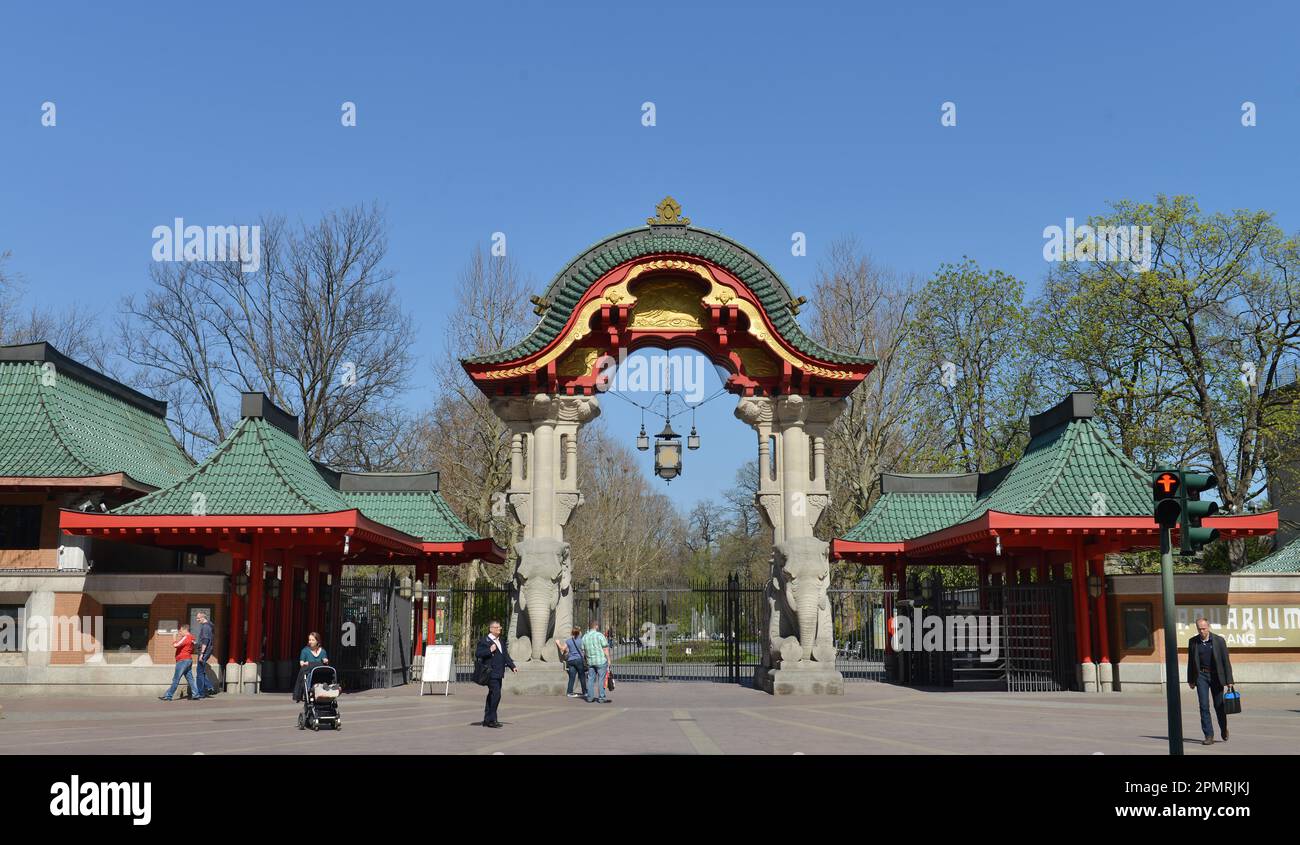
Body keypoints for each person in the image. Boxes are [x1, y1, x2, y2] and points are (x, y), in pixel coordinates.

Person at [1187, 616, 1234, 745]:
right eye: (1199, 629)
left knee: (1219, 706)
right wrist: (1190, 679)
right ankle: (1209, 735)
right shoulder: (1193, 642)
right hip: (1201, 676)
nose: (1202, 631)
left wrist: (1229, 680)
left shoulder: (1219, 641)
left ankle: (1223, 729)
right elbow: (1191, 662)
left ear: (1208, 627)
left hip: (1216, 677)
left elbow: (1226, 662)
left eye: (1204, 628)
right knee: (1203, 706)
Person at [475, 620, 516, 728]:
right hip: (491, 673)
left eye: (500, 627)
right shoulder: (485, 641)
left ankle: (487, 719)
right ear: (491, 629)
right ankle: (492, 720)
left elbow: (505, 655)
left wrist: (512, 666)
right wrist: (489, 650)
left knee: (492, 695)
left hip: (499, 673)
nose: (500, 629)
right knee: (496, 695)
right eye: (497, 627)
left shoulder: (501, 641)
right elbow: (478, 653)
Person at [159, 624, 196, 701]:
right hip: (188, 659)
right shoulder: (192, 638)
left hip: (182, 660)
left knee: (176, 679)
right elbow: (192, 649)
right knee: (190, 679)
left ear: (185, 630)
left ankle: (168, 696)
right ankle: (196, 694)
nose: (180, 632)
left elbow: (176, 645)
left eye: (181, 630)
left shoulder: (186, 637)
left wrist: (174, 637)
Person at [293, 632, 329, 703]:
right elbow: (301, 663)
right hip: (310, 676)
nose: (310, 642)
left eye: (312, 640)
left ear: (317, 641)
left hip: (320, 675)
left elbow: (326, 662)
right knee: (305, 669)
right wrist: (305, 663)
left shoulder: (323, 651)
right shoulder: (305, 651)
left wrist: (325, 660)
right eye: (309, 640)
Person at [581, 619, 611, 703]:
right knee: (601, 679)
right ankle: (601, 697)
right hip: (601, 661)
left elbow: (583, 651)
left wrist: (587, 659)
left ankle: (590, 698)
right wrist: (608, 660)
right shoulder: (600, 635)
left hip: (590, 662)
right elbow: (605, 649)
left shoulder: (585, 637)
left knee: (590, 680)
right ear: (596, 626)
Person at [555, 626, 588, 699]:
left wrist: (558, 643)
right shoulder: (581, 641)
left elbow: (563, 649)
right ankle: (585, 692)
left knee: (572, 677)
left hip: (571, 660)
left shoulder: (568, 641)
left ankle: (569, 692)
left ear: (572, 633)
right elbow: (585, 650)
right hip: (579, 660)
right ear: (579, 633)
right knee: (582, 676)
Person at [192, 611, 214, 700]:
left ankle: (202, 692)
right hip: (206, 651)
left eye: (198, 618)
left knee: (199, 673)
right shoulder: (209, 626)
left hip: (203, 652)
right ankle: (208, 687)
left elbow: (205, 640)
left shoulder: (205, 627)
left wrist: (201, 654)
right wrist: (196, 643)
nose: (197, 620)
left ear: (202, 617)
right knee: (201, 671)